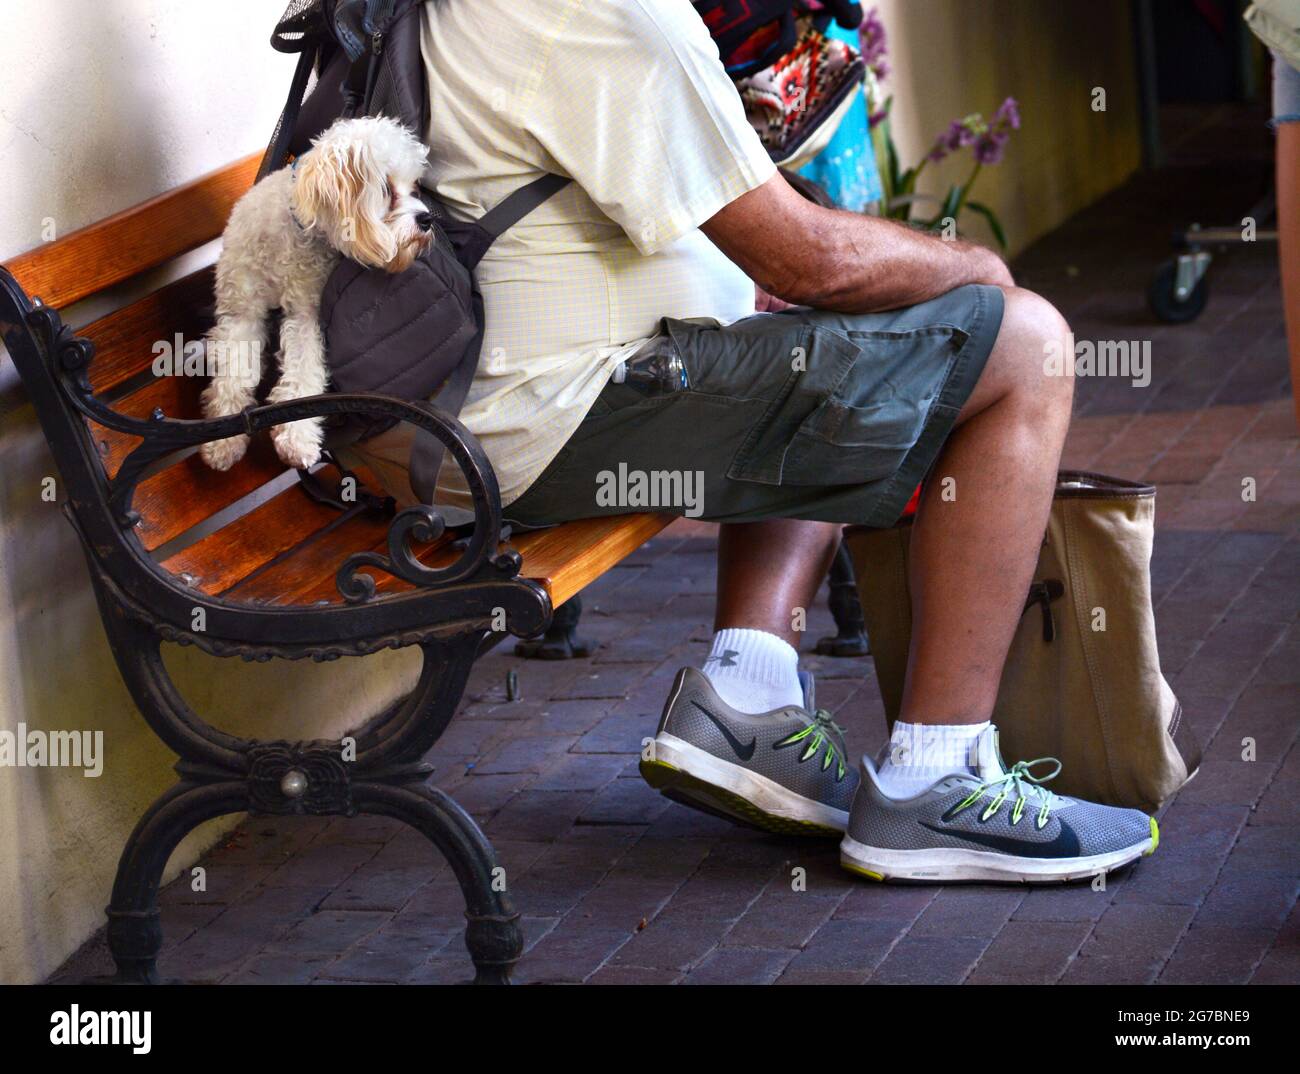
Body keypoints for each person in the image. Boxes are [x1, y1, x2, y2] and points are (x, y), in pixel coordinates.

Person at [346, 0, 1157, 883]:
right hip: (530, 424)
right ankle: (937, 780)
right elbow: (811, 260)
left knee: (817, 329)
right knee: (1024, 346)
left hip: (442, 414)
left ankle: (749, 692)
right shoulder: (612, 20)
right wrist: (982, 273)